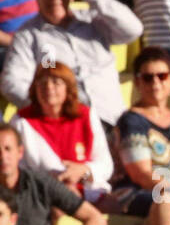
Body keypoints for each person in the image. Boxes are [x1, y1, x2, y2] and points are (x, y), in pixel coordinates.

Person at [1, 0, 143, 127]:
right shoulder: (28, 36)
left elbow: (133, 29)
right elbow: (13, 82)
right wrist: (50, 110)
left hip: (112, 120)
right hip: (67, 126)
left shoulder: (93, 20)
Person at [113, 47, 170, 215]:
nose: (155, 83)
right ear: (137, 83)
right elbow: (141, 175)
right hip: (138, 195)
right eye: (148, 78)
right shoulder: (131, 121)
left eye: (162, 76)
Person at [12, 60, 113, 206]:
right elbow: (17, 169)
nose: (49, 88)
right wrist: (54, 183)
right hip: (44, 197)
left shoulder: (85, 115)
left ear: (68, 88)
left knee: (121, 206)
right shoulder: (22, 121)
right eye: (42, 83)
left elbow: (106, 164)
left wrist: (83, 171)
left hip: (91, 192)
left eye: (56, 82)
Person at [0, 121, 107, 225]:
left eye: (8, 149)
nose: (3, 157)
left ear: (20, 152)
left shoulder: (41, 183)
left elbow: (96, 220)